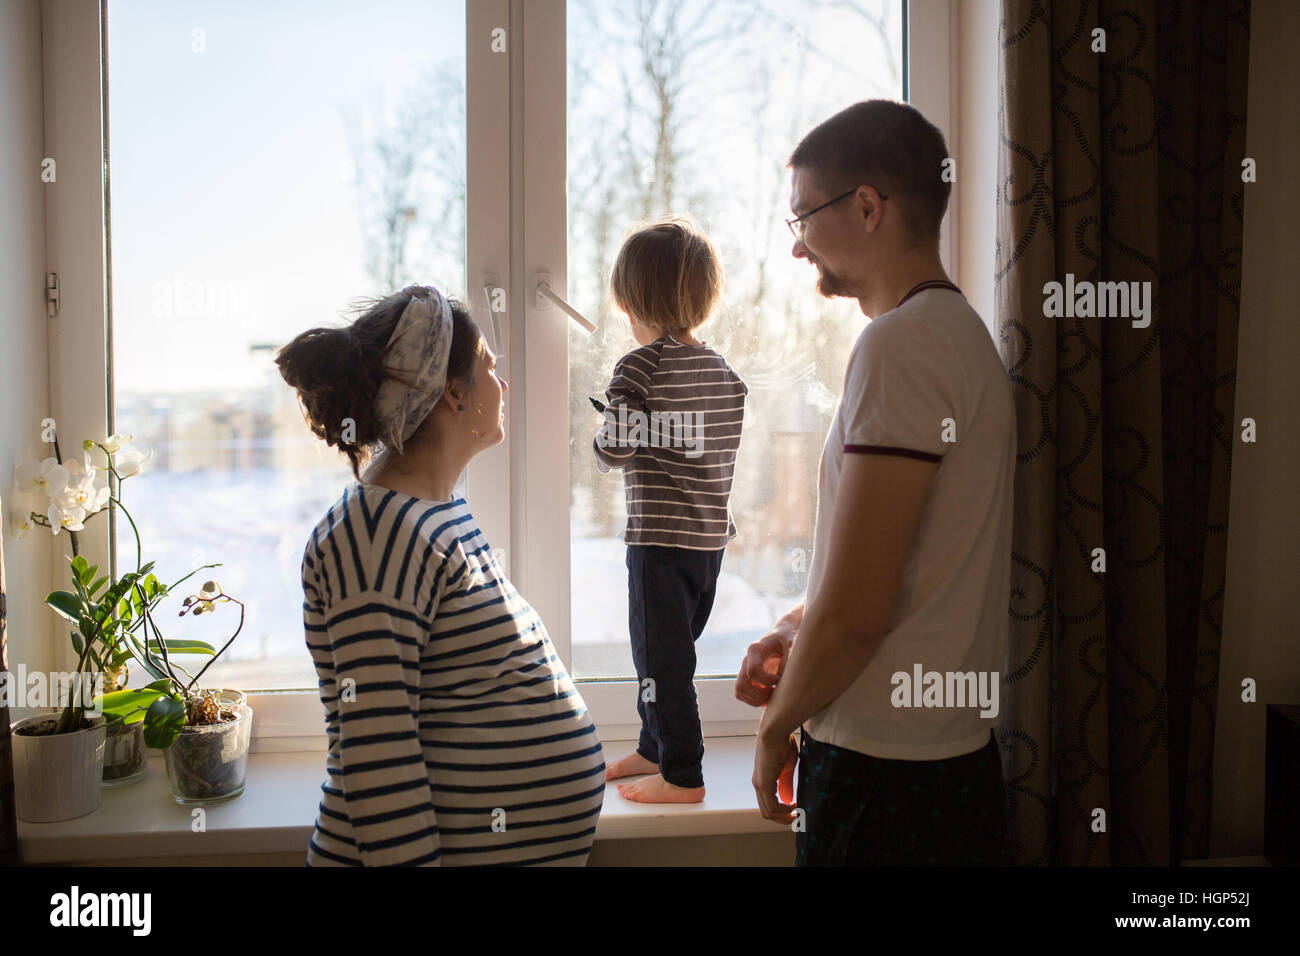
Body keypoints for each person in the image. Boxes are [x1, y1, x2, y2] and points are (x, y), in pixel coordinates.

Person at [735, 101, 1015, 865]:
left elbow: (860, 612)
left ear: (866, 207)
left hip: (882, 783)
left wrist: (773, 730)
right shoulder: (959, 338)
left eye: (803, 219)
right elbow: (910, 566)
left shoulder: (900, 348)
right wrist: (796, 630)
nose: (797, 250)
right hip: (946, 768)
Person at [278, 284, 605, 866]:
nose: (502, 386)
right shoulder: (374, 532)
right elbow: (380, 759)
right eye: (489, 369)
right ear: (454, 394)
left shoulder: (432, 513)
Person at [595, 219, 748, 804]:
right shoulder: (724, 374)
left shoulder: (639, 367)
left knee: (660, 661)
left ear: (633, 303)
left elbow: (614, 450)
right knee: (668, 655)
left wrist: (605, 431)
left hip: (659, 543)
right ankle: (653, 746)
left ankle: (683, 774)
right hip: (709, 547)